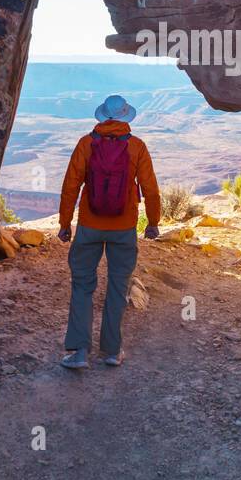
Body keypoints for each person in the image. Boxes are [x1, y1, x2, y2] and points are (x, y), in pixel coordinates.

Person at [57, 94, 160, 369]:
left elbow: (70, 186)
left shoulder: (86, 144)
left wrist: (64, 224)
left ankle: (79, 353)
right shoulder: (137, 147)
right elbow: (150, 188)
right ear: (126, 117)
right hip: (124, 228)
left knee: (82, 286)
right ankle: (112, 352)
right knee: (118, 287)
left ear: (102, 116)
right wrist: (153, 222)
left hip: (90, 226)